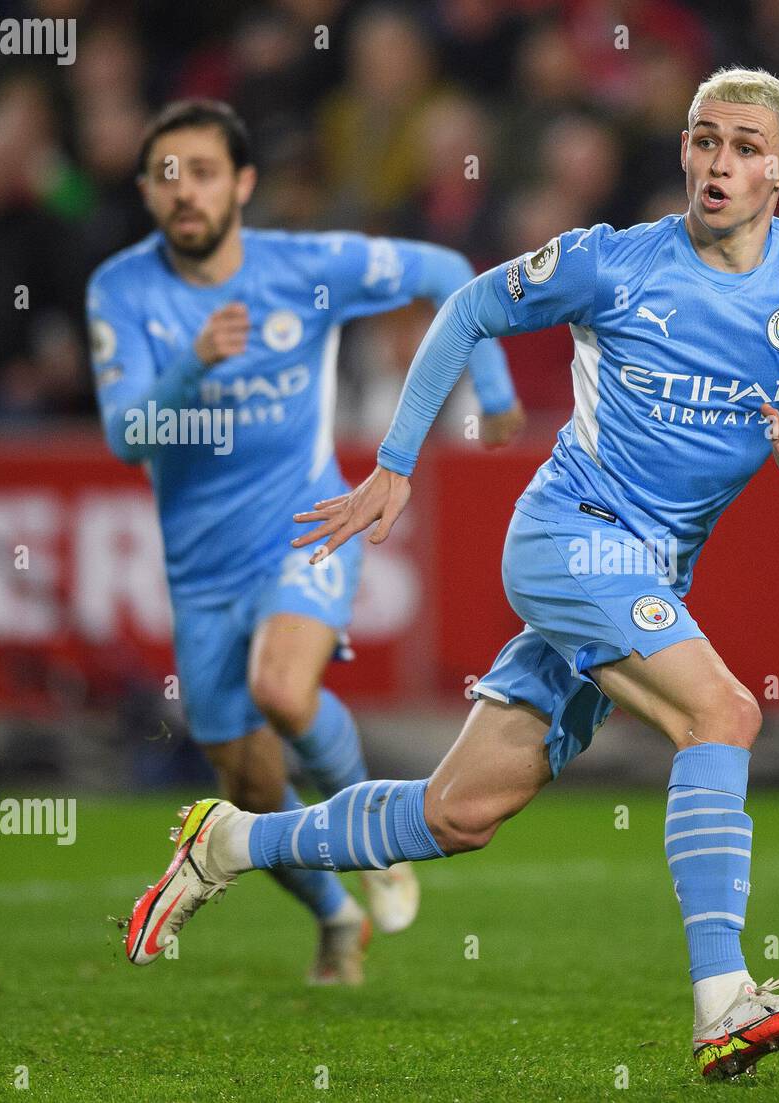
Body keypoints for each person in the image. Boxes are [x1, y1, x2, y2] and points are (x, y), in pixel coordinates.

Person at [124, 68, 779, 1078]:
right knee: (725, 714)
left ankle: (225, 842)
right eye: (705, 140)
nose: (719, 163)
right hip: (569, 535)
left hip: (648, 567)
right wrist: (393, 463)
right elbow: (468, 309)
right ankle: (722, 999)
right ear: (682, 151)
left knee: (460, 811)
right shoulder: (613, 263)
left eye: (746, 147)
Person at [92, 99, 521, 984]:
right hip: (200, 571)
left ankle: (380, 840)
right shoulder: (122, 290)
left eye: (204, 173)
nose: (186, 194)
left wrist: (496, 388)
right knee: (246, 789)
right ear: (145, 191)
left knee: (282, 689)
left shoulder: (305, 266)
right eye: (167, 177)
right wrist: (191, 365)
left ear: (242, 184)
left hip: (307, 524)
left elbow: (448, 268)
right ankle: (336, 915)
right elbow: (129, 434)